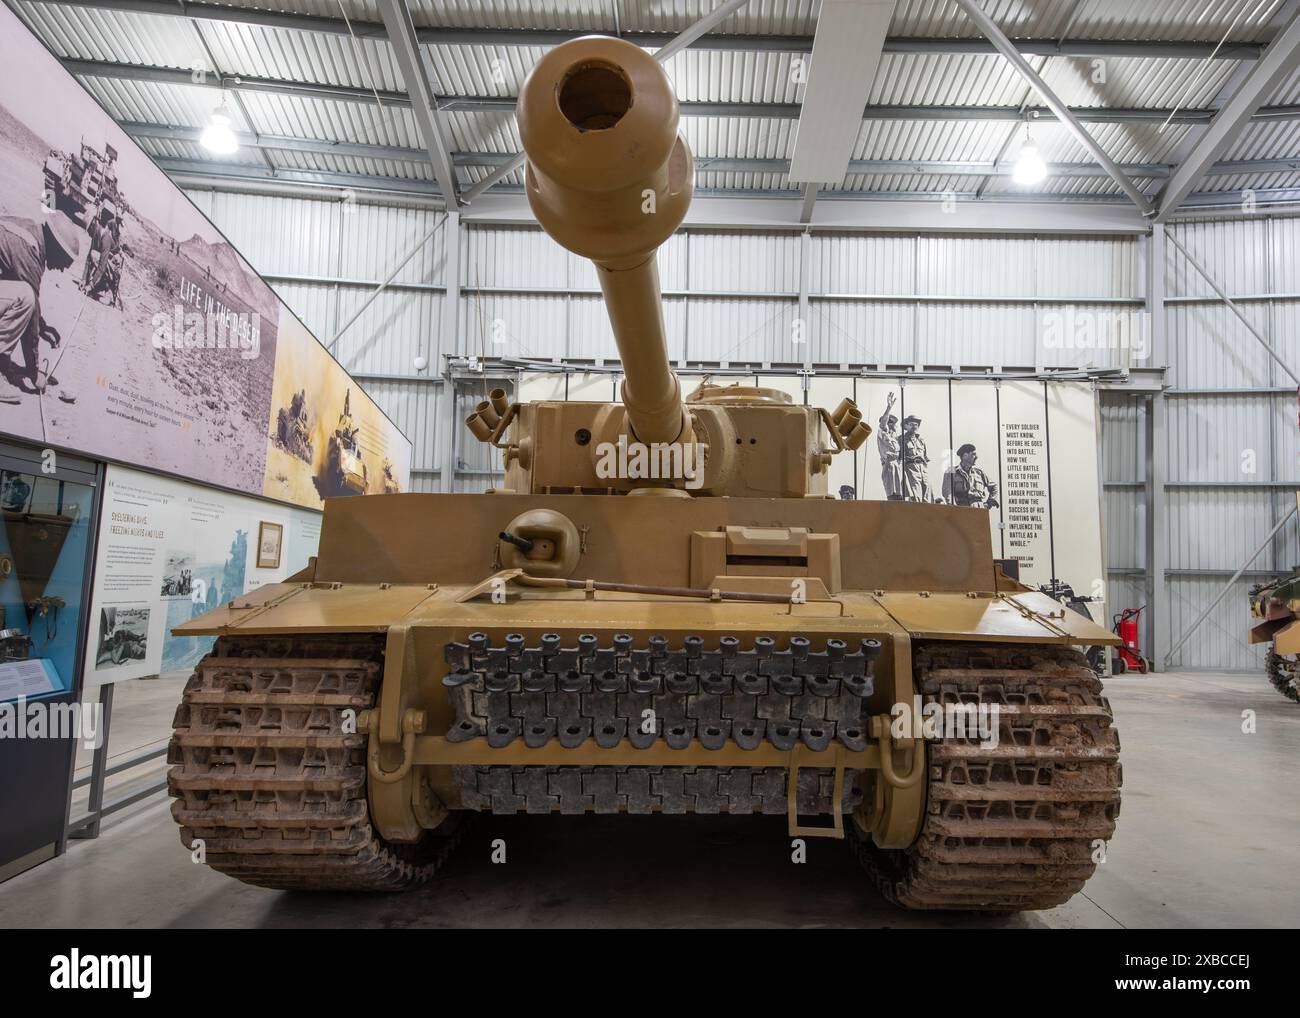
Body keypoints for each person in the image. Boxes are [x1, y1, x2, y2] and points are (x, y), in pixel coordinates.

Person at [0, 214, 79, 403]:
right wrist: (34, 373)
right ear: (56, 247)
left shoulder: (30, 230)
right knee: (25, 297)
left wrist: (42, 327)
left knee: (26, 295)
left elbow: (33, 315)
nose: (61, 269)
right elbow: (30, 321)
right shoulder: (31, 252)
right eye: (63, 261)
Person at [943, 443, 999, 508]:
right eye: (973, 454)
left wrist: (990, 502)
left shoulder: (979, 473)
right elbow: (947, 492)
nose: (977, 457)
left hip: (979, 510)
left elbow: (994, 487)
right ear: (965, 455)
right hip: (960, 508)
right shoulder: (951, 472)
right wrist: (954, 508)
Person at [876, 391, 902, 500]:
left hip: (897, 464)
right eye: (893, 423)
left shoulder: (896, 437)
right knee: (892, 493)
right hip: (888, 463)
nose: (895, 426)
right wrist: (888, 408)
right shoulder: (882, 432)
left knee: (900, 494)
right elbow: (883, 423)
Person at [900, 413, 932, 502]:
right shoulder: (901, 439)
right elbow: (899, 457)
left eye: (916, 424)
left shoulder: (921, 440)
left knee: (927, 492)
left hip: (923, 468)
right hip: (910, 468)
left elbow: (926, 456)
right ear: (906, 426)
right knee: (915, 493)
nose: (914, 426)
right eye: (911, 424)